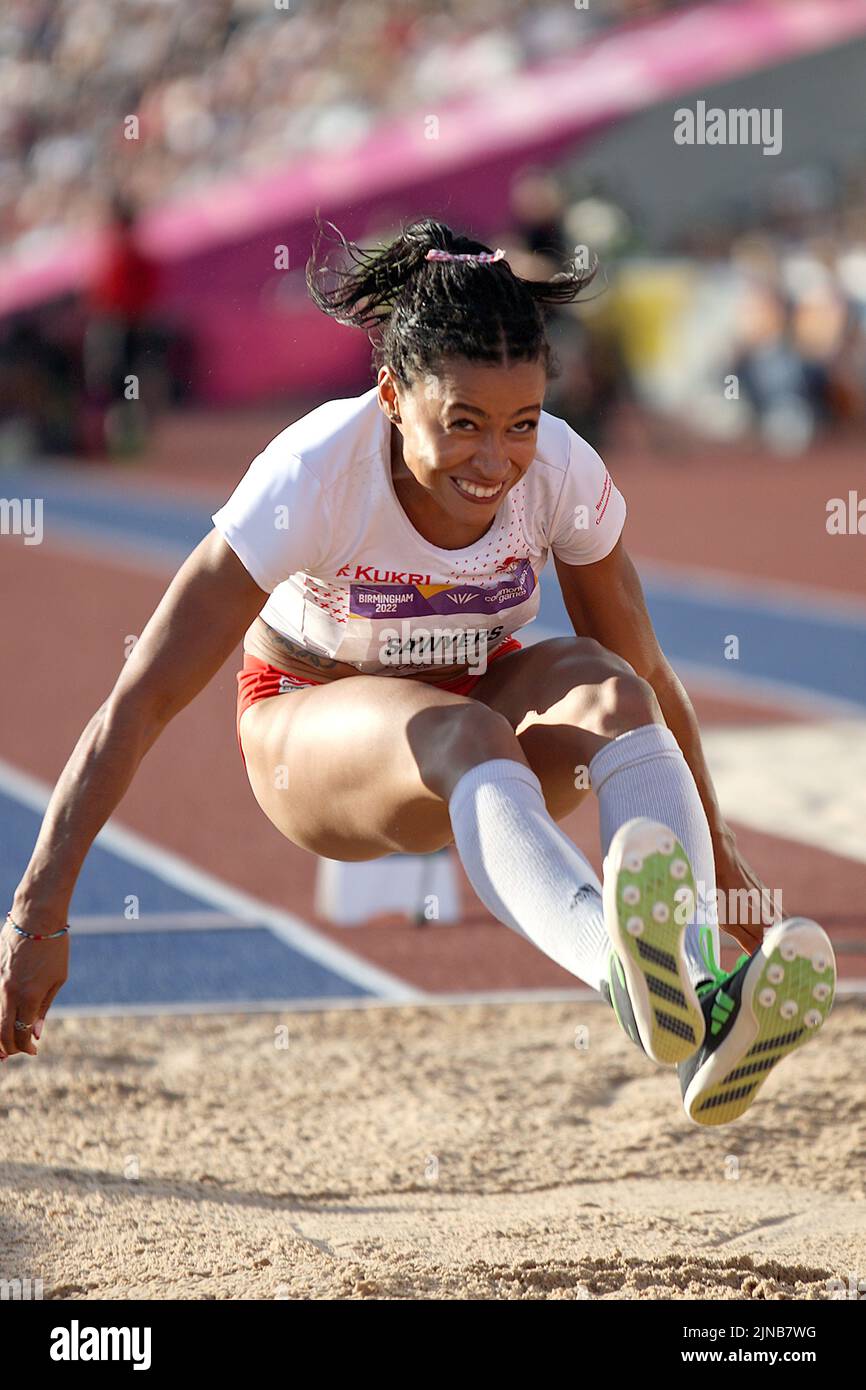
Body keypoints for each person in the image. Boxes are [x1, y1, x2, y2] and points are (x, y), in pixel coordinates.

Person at [1, 219, 835, 1128]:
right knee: (462, 731)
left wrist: (727, 880)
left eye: (520, 424)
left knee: (616, 693)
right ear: (394, 396)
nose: (495, 461)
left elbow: (652, 680)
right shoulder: (312, 477)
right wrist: (38, 915)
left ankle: (705, 1004)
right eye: (463, 423)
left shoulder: (557, 469)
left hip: (478, 699)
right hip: (310, 731)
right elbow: (144, 697)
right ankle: (621, 970)